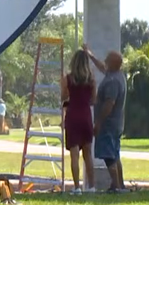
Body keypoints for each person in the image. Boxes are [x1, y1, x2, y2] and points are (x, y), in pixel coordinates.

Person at [83, 45, 127, 192]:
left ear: (112, 64)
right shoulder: (116, 75)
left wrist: (99, 123)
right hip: (116, 123)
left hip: (109, 124)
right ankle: (120, 185)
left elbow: (109, 104)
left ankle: (116, 186)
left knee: (109, 156)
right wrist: (90, 54)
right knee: (115, 154)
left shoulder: (113, 82)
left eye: (107, 60)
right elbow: (102, 67)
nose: (105, 62)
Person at [60, 50, 97, 193]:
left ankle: (77, 187)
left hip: (72, 115)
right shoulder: (91, 80)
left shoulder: (68, 79)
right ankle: (91, 186)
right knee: (87, 154)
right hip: (86, 116)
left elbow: (63, 97)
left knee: (74, 154)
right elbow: (94, 100)